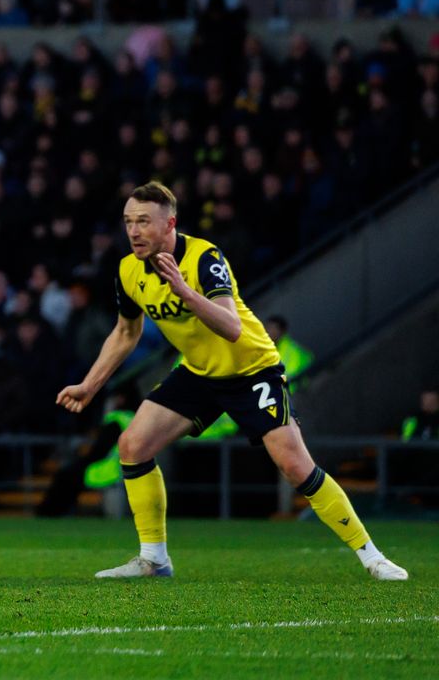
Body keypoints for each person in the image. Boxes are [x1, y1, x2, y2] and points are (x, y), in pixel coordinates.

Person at [56, 182, 407, 581]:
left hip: (251, 368)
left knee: (294, 466)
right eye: (128, 222)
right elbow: (125, 333)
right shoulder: (127, 270)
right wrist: (90, 385)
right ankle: (154, 559)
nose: (134, 231)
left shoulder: (205, 257)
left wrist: (186, 292)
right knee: (132, 445)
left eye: (143, 222)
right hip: (200, 373)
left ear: (170, 223)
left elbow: (231, 326)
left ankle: (372, 555)